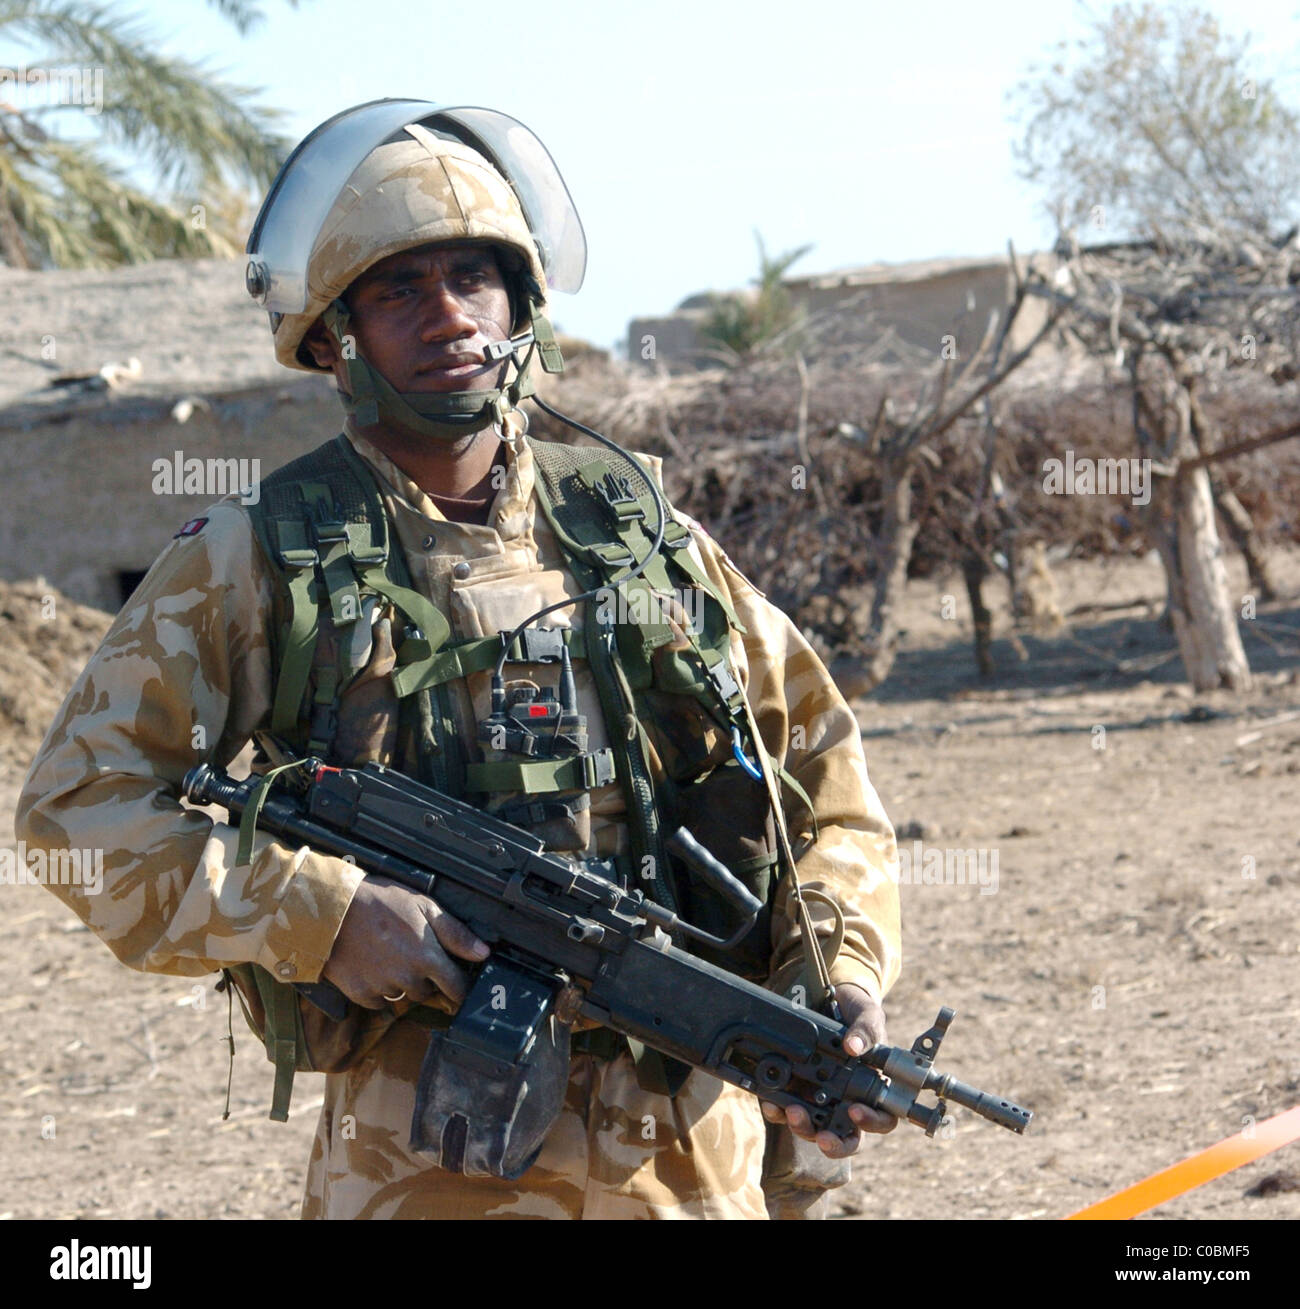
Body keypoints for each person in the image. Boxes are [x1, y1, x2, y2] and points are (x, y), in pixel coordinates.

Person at [15, 101, 901, 1220]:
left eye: (474, 279)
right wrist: (319, 913)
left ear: (521, 307)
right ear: (333, 339)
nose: (449, 316)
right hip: (425, 1163)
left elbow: (822, 778)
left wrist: (836, 979)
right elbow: (78, 811)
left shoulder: (643, 536)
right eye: (399, 288)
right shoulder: (258, 553)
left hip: (685, 1160)